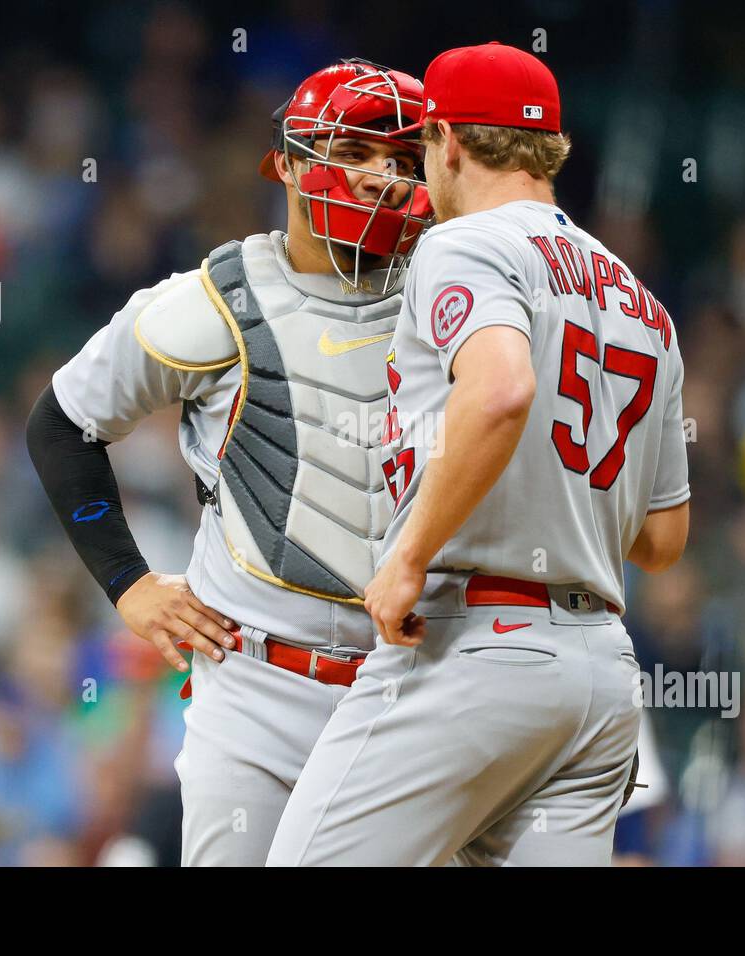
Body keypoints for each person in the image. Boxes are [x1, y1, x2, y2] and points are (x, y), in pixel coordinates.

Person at [268, 43, 690, 866]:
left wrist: (408, 557)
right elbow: (663, 541)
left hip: (478, 641)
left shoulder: (463, 246)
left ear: (449, 141)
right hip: (601, 676)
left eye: (423, 143)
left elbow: (500, 392)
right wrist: (561, 490)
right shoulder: (647, 305)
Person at [25, 59, 433, 866]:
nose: (381, 177)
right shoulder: (215, 298)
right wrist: (130, 584)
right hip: (256, 690)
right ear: (286, 162)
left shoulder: (452, 300)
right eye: (355, 151)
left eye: (403, 159)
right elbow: (62, 423)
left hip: (409, 688)